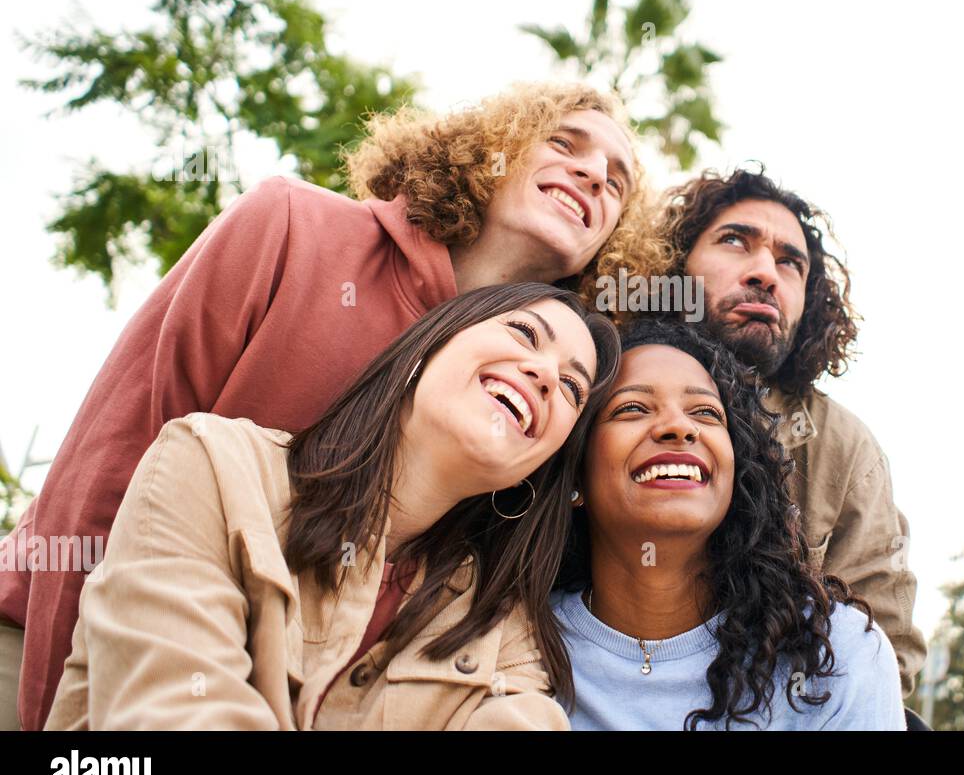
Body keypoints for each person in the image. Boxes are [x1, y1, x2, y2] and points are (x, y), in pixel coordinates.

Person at [1, 80, 669, 731]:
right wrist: (69, 699)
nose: (592, 177)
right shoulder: (291, 225)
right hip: (59, 638)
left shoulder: (526, 403)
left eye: (616, 182)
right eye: (566, 144)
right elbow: (114, 452)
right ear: (493, 147)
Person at [46, 282, 619, 729]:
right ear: (428, 346)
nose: (545, 374)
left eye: (571, 387)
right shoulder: (213, 465)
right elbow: (174, 709)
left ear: (538, 467)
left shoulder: (506, 635)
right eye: (524, 333)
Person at [552, 319, 905, 730]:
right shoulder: (516, 649)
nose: (679, 428)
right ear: (575, 476)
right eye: (632, 408)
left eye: (705, 412)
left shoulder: (838, 655)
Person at [659, 166, 927, 698]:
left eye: (790, 262)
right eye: (735, 241)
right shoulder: (593, 378)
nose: (765, 273)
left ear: (808, 304)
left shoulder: (844, 448)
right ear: (674, 266)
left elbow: (884, 658)